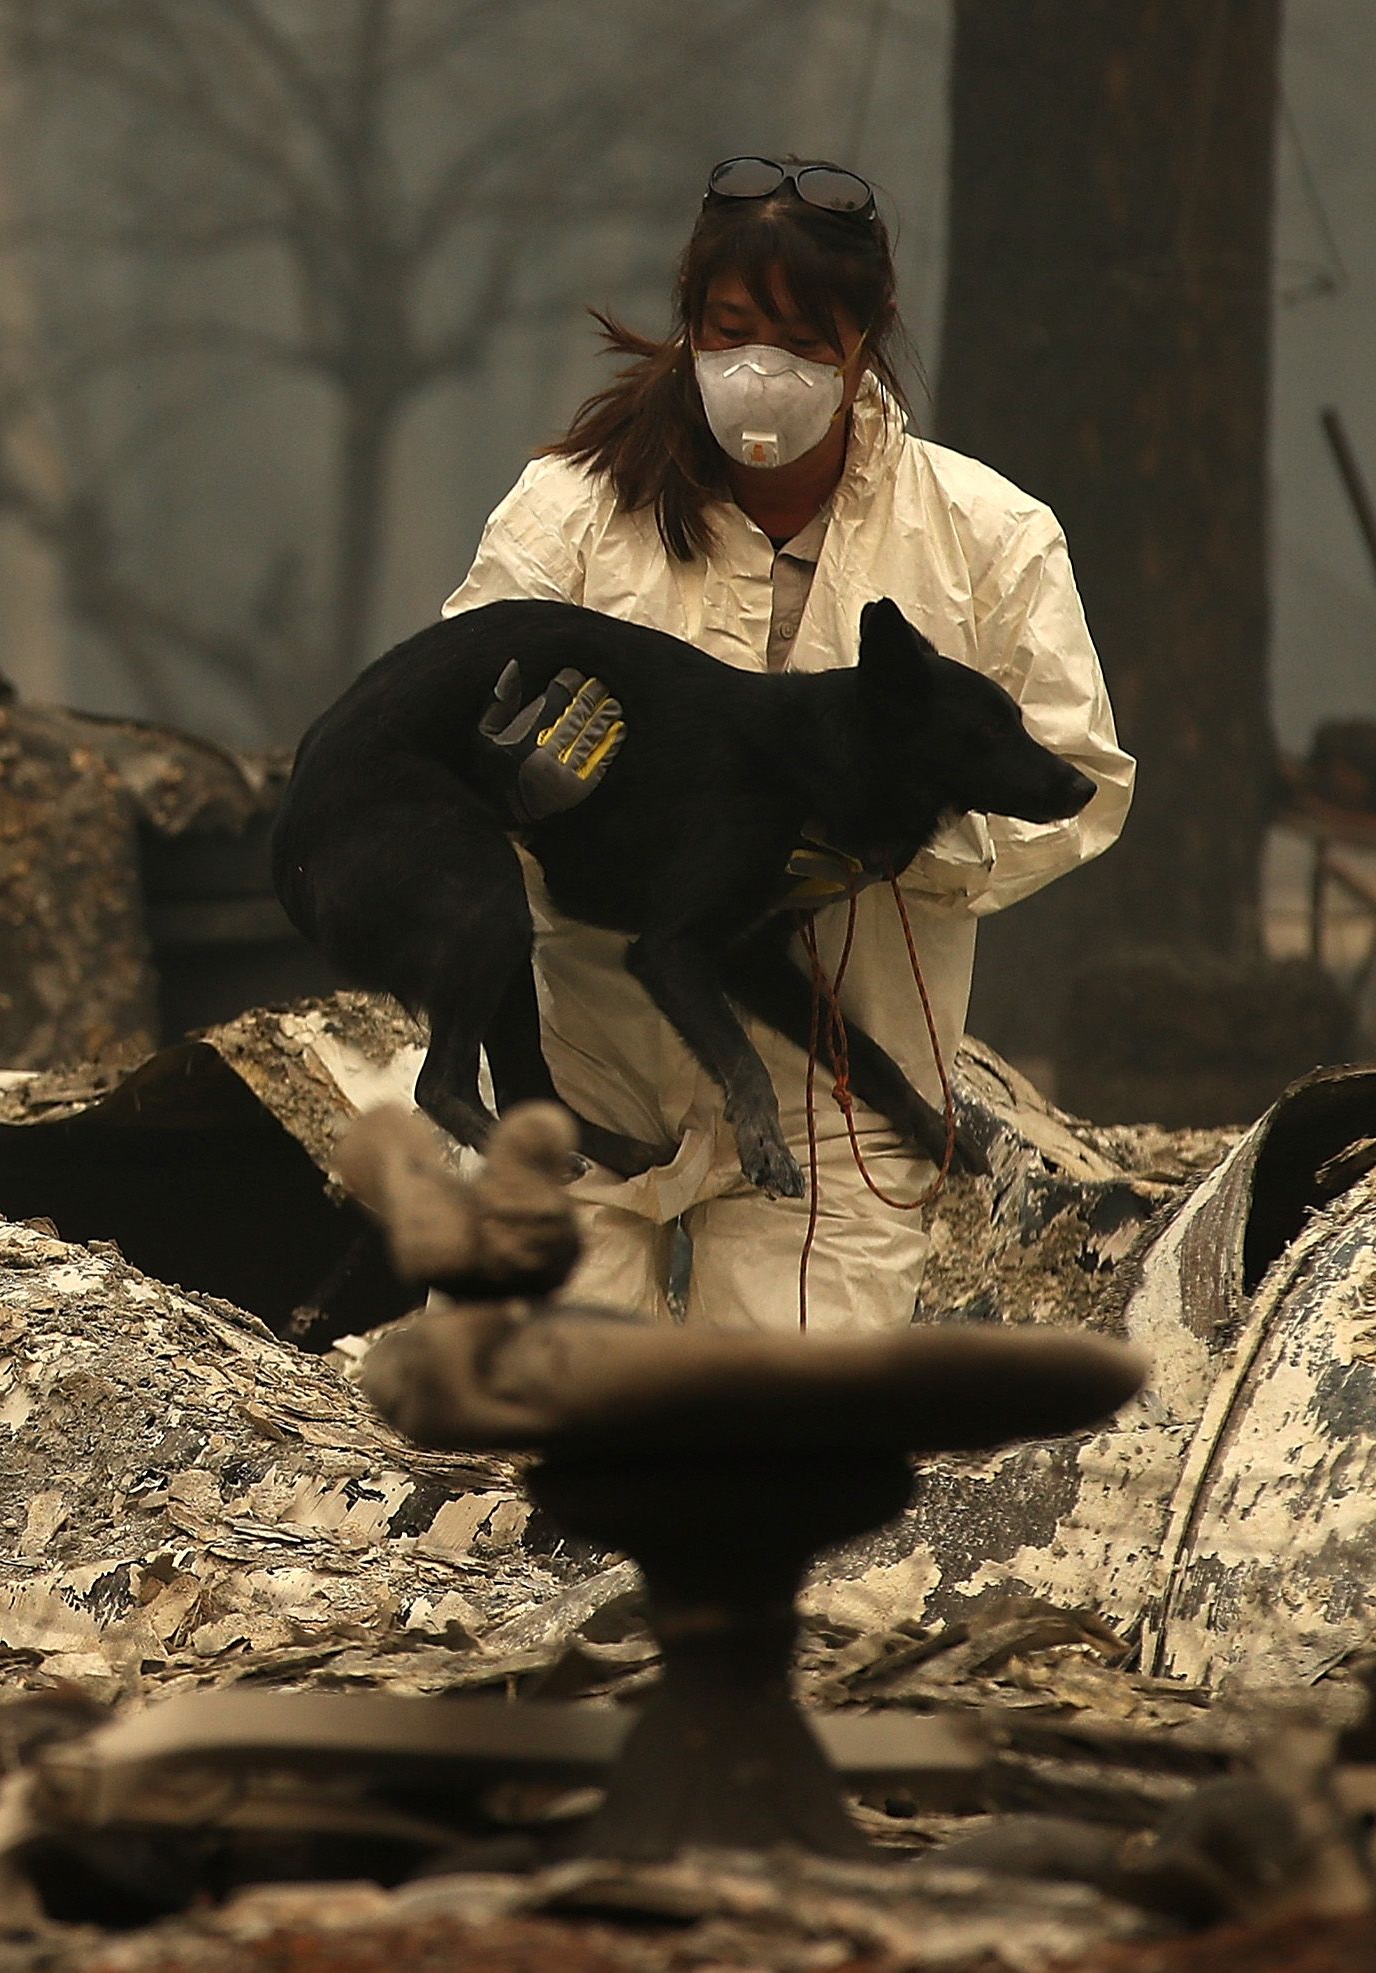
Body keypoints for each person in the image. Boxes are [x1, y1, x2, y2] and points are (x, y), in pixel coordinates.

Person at [444, 155, 1132, 1334]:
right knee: (532, 1450)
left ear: (861, 341)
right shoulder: (566, 515)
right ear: (688, 327)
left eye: (801, 338)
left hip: (834, 1089)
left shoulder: (984, 539)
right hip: (574, 1061)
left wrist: (894, 853)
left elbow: (1080, 778)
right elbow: (450, 718)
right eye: (731, 328)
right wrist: (520, 787)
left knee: (770, 1462)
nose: (761, 370)